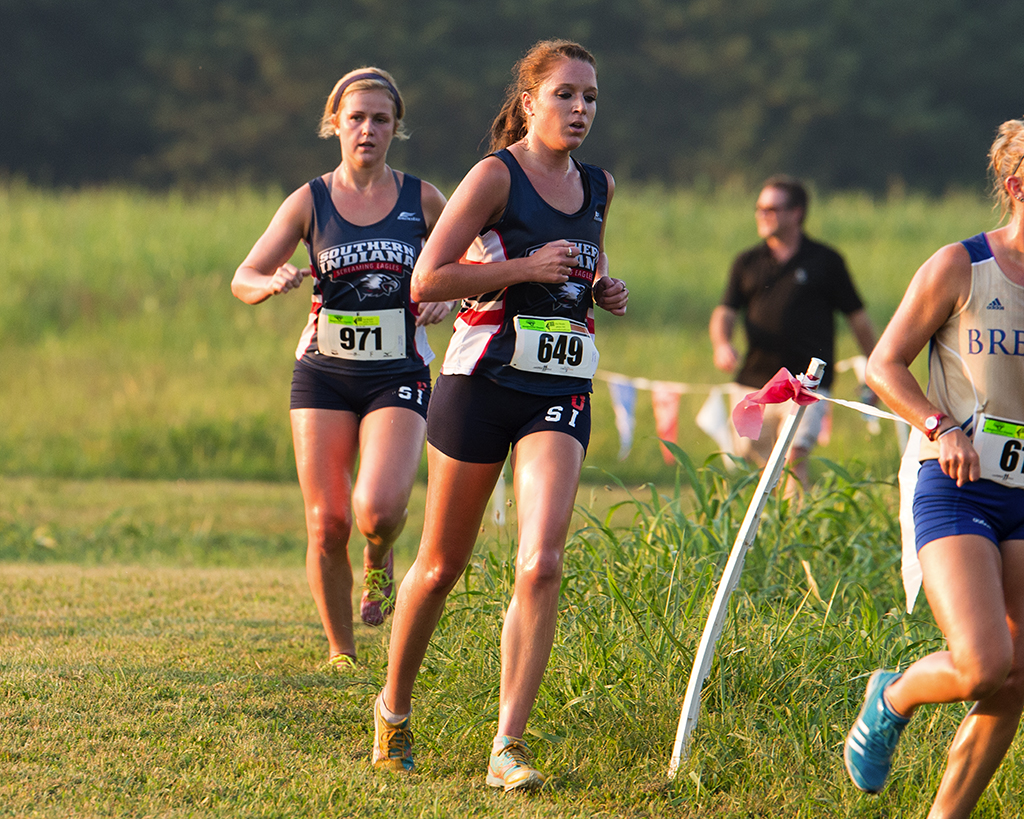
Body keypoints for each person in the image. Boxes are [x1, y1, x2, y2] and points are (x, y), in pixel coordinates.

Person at [368, 39, 628, 791]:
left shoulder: (600, 186)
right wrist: (522, 267)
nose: (580, 110)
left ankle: (507, 742)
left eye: (590, 98)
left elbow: (581, 272)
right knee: (442, 565)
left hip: (559, 387)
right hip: (480, 381)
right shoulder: (494, 176)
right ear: (529, 102)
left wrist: (602, 291)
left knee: (542, 560)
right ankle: (393, 707)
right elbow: (427, 280)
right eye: (566, 95)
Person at [231, 68, 450, 669]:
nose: (368, 129)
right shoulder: (310, 200)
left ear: (396, 128)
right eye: (356, 118)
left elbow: (480, 258)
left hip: (398, 371)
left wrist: (449, 296)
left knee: (379, 509)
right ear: (335, 124)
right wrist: (270, 281)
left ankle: (380, 559)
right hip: (323, 372)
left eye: (381, 119)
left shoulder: (423, 199)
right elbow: (242, 276)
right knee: (327, 522)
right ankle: (341, 651)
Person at [843, 119, 1024, 817]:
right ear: (1015, 188)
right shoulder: (960, 265)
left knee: (1014, 679)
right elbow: (885, 363)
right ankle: (893, 694)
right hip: (957, 486)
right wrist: (939, 424)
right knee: (982, 662)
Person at [708, 175, 877, 490]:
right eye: (760, 209)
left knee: (794, 454)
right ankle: (770, 524)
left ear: (796, 212)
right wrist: (721, 343)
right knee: (756, 457)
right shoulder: (747, 261)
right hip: (754, 380)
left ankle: (795, 524)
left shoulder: (826, 261)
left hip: (806, 382)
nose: (763, 215)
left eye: (772, 209)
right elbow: (725, 312)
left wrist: (876, 366)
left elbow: (858, 318)